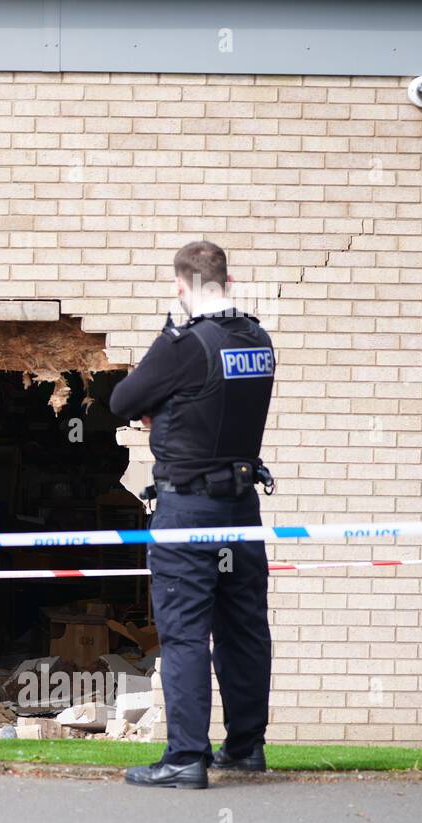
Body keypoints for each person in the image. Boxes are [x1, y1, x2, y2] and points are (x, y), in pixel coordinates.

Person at [109, 240, 276, 789]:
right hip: (242, 507)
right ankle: (246, 748)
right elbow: (221, 407)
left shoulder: (183, 344)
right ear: (228, 281)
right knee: (244, 627)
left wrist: (162, 409)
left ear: (181, 286)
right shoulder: (257, 339)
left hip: (189, 507)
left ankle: (185, 758)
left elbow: (121, 401)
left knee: (184, 634)